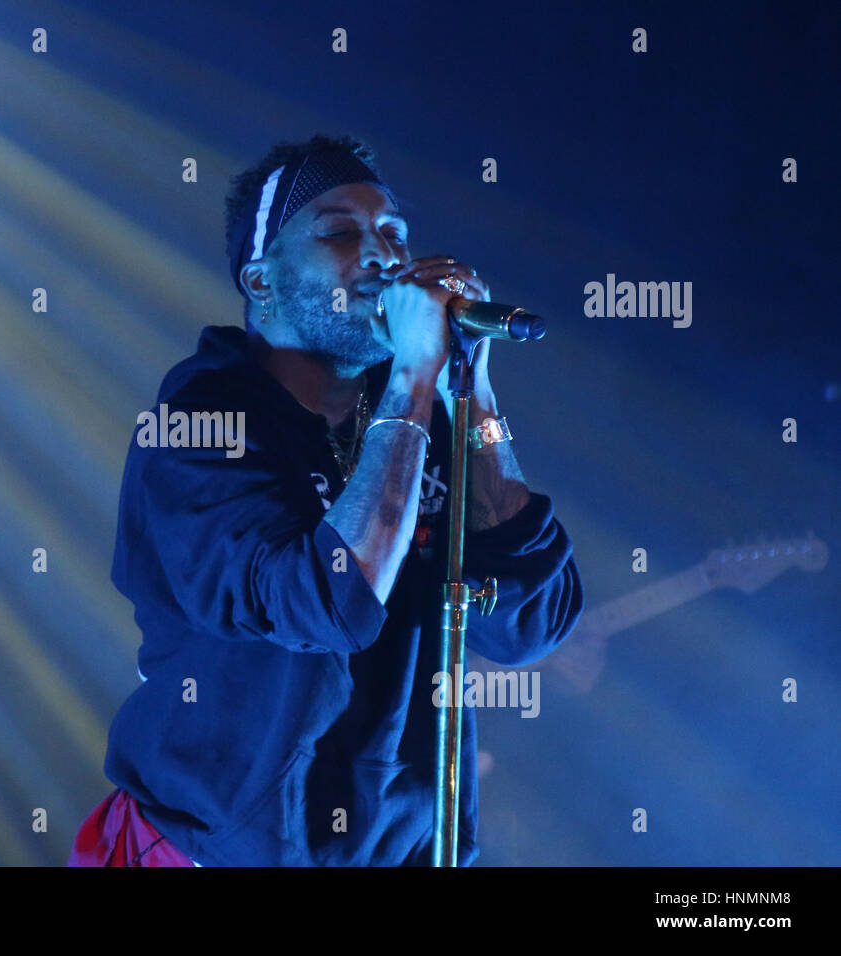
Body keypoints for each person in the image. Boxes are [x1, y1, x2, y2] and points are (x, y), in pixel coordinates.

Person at [69, 133, 584, 866]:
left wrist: (471, 390)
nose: (383, 255)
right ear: (261, 283)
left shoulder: (423, 415)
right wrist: (411, 379)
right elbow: (327, 603)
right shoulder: (199, 422)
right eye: (341, 232)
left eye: (394, 233)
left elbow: (532, 623)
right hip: (217, 851)